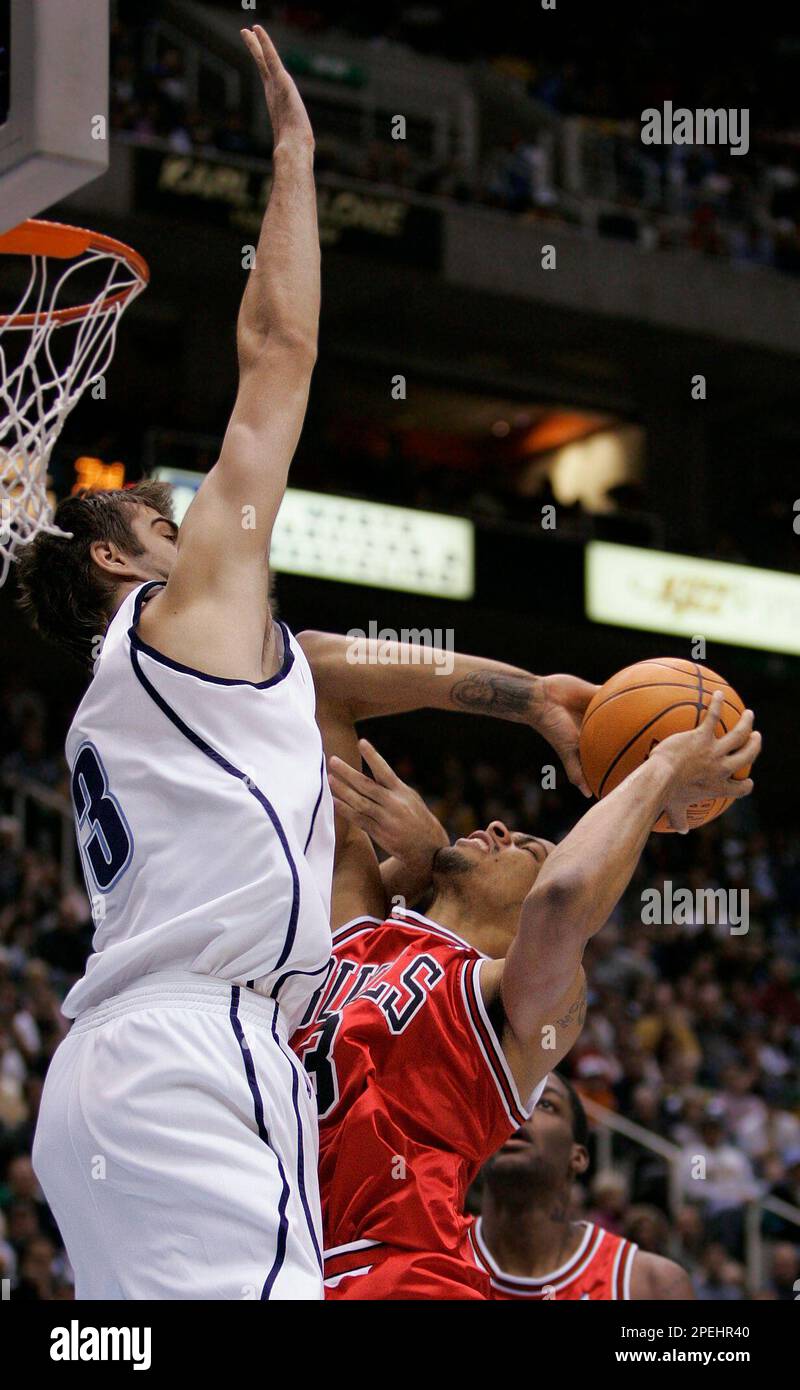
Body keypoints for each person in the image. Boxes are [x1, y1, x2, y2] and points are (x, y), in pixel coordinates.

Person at [18, 25, 333, 1302]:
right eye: (165, 519)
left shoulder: (123, 700)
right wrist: (296, 160)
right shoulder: (181, 618)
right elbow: (278, 363)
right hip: (194, 1053)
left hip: (114, 1074)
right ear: (117, 561)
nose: (196, 526)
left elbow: (326, 666)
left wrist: (523, 693)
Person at [292, 687, 759, 1298]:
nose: (497, 828)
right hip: (272, 1255)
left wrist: (661, 769)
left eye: (530, 848)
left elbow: (562, 900)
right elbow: (322, 673)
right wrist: (531, 698)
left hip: (401, 1275)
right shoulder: (356, 934)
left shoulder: (511, 1001)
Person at [471, 1071, 695, 1299]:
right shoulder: (438, 1251)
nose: (519, 1112)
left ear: (578, 1157)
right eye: (505, 1101)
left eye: (546, 1104)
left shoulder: (653, 1285)